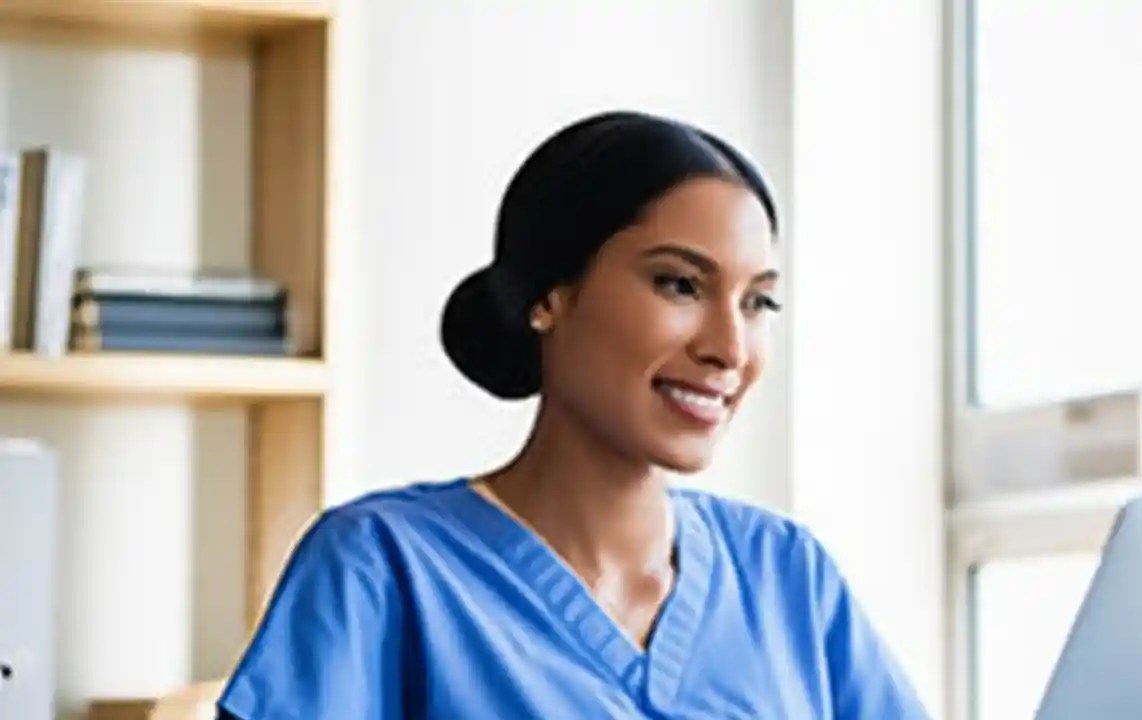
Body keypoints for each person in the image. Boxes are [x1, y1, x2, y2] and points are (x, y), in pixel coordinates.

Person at [215, 111, 930, 719]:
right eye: (679, 284)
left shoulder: (786, 576)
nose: (729, 348)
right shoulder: (384, 566)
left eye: (757, 302)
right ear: (548, 296)